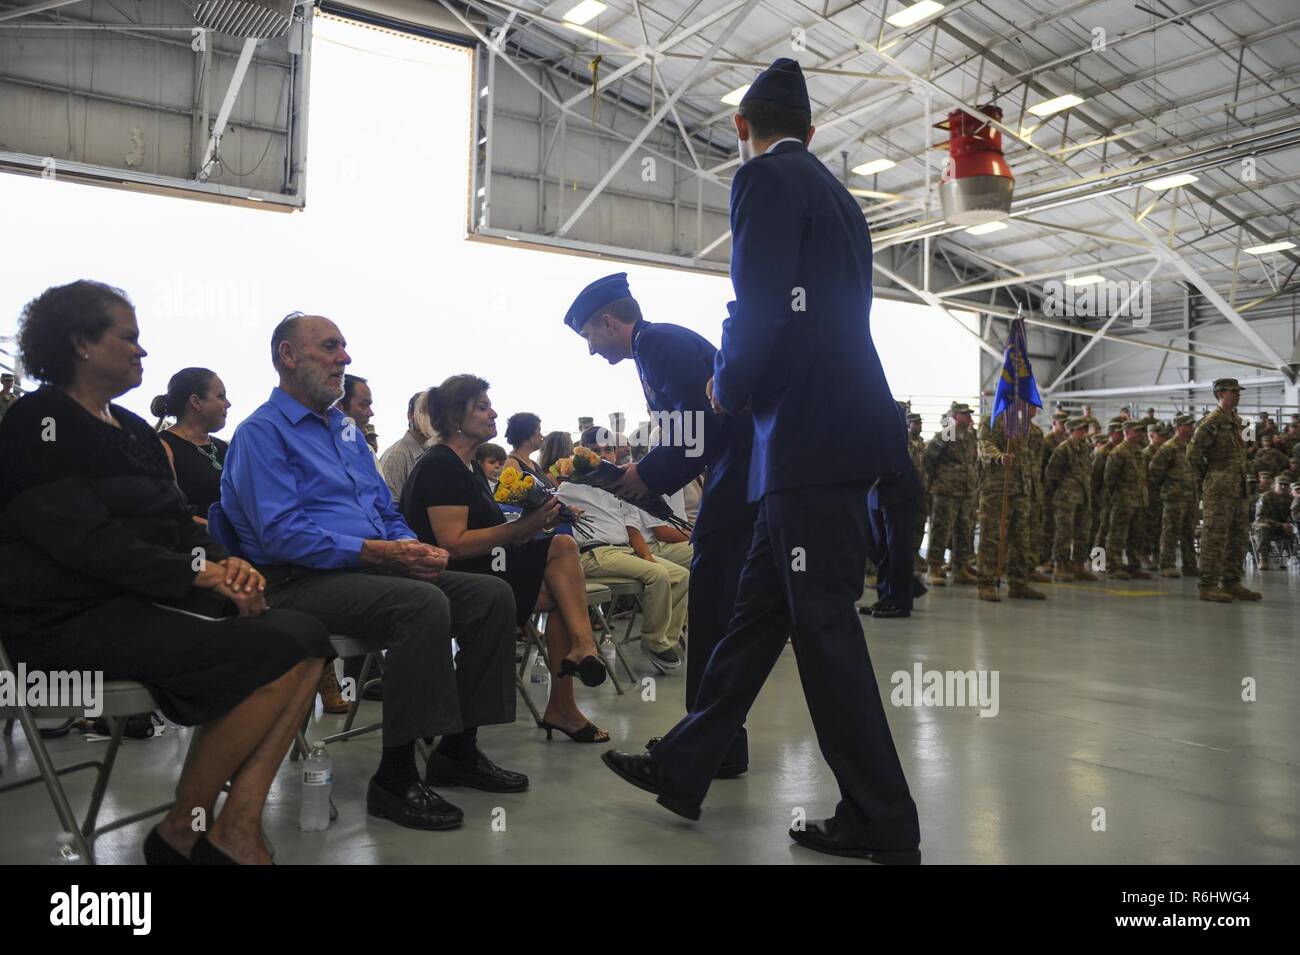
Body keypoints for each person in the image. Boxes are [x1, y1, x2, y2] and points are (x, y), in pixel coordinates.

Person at [599, 59, 920, 864]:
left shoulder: (764, 180)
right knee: (755, 619)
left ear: (743, 128)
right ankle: (684, 763)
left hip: (806, 439)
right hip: (829, 435)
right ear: (810, 130)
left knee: (824, 630)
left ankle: (882, 819)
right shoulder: (838, 195)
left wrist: (728, 382)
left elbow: (760, 302)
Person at [0, 280, 328, 865]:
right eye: (128, 337)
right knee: (278, 651)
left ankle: (234, 823)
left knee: (308, 638)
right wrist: (195, 576)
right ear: (79, 342)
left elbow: (179, 524)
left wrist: (226, 563)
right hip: (65, 618)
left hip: (144, 602)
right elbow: (82, 541)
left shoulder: (132, 432)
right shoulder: (37, 423)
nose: (142, 350)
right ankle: (185, 830)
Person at [219, 313, 526, 832]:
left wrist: (409, 547)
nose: (344, 357)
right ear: (288, 356)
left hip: (367, 572)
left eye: (343, 347)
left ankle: (457, 750)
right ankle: (395, 777)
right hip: (296, 581)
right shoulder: (261, 434)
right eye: (330, 346)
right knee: (421, 604)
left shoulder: (345, 432)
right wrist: (379, 554)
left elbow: (385, 509)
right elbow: (279, 535)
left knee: (491, 595)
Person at [562, 271, 755, 773]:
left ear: (609, 322)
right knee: (724, 613)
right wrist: (642, 475)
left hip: (740, 478)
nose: (590, 349)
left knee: (714, 611)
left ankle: (707, 745)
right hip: (737, 476)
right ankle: (713, 744)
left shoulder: (659, 346)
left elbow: (698, 430)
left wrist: (642, 476)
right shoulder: (657, 345)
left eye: (588, 335)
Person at [400, 375, 610, 743]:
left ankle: (582, 651)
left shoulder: (467, 465)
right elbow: (454, 545)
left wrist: (539, 522)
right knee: (564, 595)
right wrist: (523, 527)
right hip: (454, 575)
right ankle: (566, 695)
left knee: (563, 546)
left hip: (485, 564)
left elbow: (490, 534)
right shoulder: (440, 465)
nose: (494, 413)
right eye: (481, 407)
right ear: (455, 418)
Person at [555, 426, 690, 670]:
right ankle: (655, 641)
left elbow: (632, 528)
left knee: (681, 575)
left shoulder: (621, 485)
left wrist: (647, 556)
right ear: (582, 453)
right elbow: (554, 506)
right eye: (595, 451)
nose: (603, 456)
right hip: (594, 553)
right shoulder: (571, 485)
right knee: (657, 574)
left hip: (623, 551)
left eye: (608, 450)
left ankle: (664, 640)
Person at [1186, 378, 1261, 603]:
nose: (1238, 394)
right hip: (1218, 490)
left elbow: (1244, 454)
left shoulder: (1238, 422)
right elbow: (1193, 455)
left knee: (1238, 537)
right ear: (1220, 394)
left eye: (1238, 391)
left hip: (1239, 488)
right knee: (1214, 537)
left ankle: (1231, 582)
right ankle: (1208, 585)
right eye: (1233, 391)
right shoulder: (1211, 423)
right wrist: (1211, 476)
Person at [975, 407, 1047, 601]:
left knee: (1021, 539)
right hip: (998, 489)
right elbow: (984, 445)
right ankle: (987, 583)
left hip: (1021, 489)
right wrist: (999, 457)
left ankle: (1018, 583)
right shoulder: (991, 420)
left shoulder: (1023, 425)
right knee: (992, 537)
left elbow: (1030, 460)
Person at [152, 367, 230, 520]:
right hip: (195, 535)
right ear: (196, 402)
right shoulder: (163, 446)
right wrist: (219, 530)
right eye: (221, 396)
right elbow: (170, 511)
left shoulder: (224, 447)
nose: (228, 403)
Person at [923, 402, 978, 586]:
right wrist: (940, 479)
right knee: (941, 529)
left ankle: (959, 568)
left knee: (964, 530)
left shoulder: (970, 436)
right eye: (965, 414)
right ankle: (934, 567)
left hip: (966, 492)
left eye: (969, 413)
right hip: (946, 491)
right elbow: (928, 459)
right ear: (955, 416)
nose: (969, 417)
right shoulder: (946, 434)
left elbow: (972, 461)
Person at [1148, 415, 1198, 578]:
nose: (1191, 429)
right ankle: (1167, 565)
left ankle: (1189, 565)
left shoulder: (1189, 446)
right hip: (1174, 497)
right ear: (1178, 427)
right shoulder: (1168, 447)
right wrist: (1167, 488)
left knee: (1188, 533)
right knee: (1170, 532)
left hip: (1189, 497)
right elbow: (1154, 471)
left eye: (1192, 426)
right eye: (1188, 426)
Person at [1044, 417, 1093, 582]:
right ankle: (1059, 566)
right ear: (1070, 432)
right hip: (1065, 497)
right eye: (1080, 430)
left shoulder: (1084, 448)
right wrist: (1061, 490)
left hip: (1082, 495)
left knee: (1082, 532)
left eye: (1084, 429)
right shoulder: (1063, 449)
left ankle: (1079, 566)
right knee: (1064, 533)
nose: (1083, 432)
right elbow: (1051, 474)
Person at [379, 390, 433, 502]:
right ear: (410, 416)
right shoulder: (396, 456)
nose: (429, 419)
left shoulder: (433, 452)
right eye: (424, 413)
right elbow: (392, 506)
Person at [1252, 475, 1295, 566]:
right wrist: (1280, 525)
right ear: (1274, 485)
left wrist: (1291, 525)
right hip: (1266, 525)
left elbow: (1293, 515)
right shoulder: (1265, 497)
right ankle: (1263, 559)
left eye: (1286, 485)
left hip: (1282, 527)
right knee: (1263, 527)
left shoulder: (1290, 499)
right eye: (1281, 484)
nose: (1283, 486)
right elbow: (1260, 517)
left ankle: (1294, 558)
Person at [503, 412, 553, 486]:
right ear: (527, 435)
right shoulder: (512, 464)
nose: (542, 436)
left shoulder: (533, 463)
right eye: (539, 431)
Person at [906, 411, 928, 573]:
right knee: (905, 523)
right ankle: (905, 555)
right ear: (908, 425)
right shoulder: (902, 441)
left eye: (920, 423)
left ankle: (915, 553)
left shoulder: (922, 443)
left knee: (920, 522)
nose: (919, 426)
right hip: (906, 490)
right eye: (916, 423)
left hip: (922, 489)